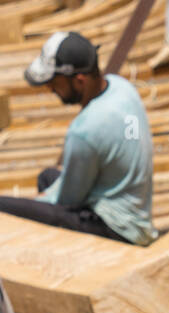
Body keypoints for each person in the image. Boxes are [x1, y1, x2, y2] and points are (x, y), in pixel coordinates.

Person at [0, 32, 156, 246]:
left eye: (54, 82)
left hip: (118, 230)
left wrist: (38, 201)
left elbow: (68, 201)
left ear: (79, 80)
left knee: (5, 206)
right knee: (47, 176)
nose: (50, 89)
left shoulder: (84, 130)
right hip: (136, 209)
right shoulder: (122, 86)